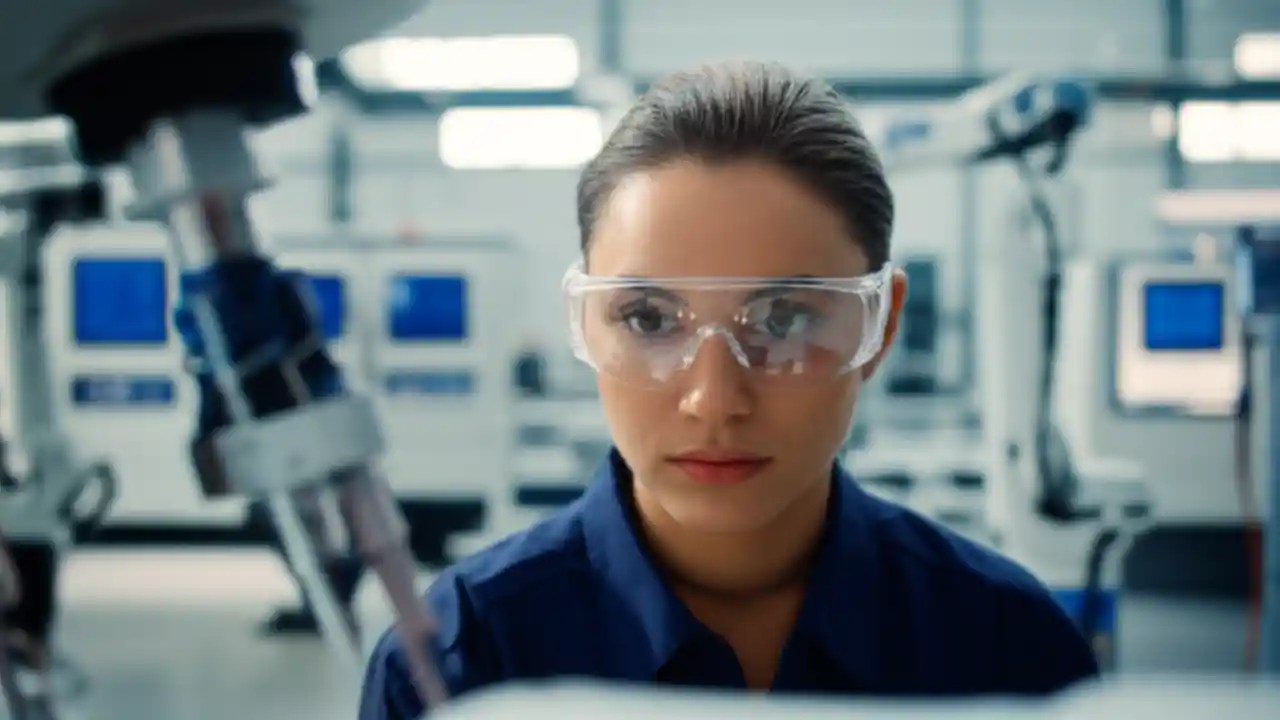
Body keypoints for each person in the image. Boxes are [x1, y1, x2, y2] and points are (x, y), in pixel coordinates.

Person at [359, 60, 1099, 719]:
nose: (713, 400)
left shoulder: (1008, 648)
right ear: (587, 322)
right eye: (648, 318)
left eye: (786, 319)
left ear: (882, 325)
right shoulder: (459, 665)